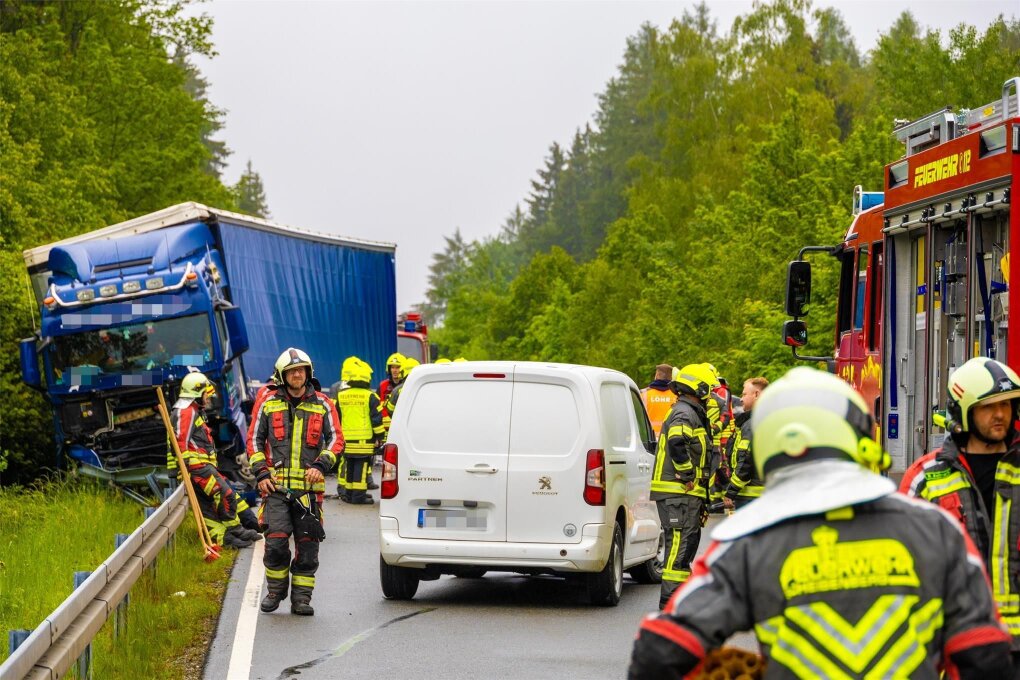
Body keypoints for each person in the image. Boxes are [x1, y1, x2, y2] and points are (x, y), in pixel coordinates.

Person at [629, 366, 1013, 679]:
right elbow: (985, 654)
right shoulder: (935, 531)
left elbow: (659, 651)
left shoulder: (750, 544)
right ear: (861, 437)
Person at [900, 356, 1020, 653]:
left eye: (1006, 405)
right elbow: (903, 563)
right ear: (963, 412)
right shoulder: (925, 478)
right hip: (959, 641)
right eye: (988, 406)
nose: (1000, 414)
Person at [247, 348, 343, 616]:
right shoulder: (268, 403)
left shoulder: (324, 403)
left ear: (308, 373)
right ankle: (276, 592)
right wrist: (262, 473)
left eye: (301, 370)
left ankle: (302, 599)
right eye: (292, 371)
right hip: (276, 489)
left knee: (308, 547)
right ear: (282, 376)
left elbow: (337, 439)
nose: (297, 375)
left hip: (309, 494)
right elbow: (253, 440)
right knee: (276, 544)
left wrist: (321, 464)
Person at [650, 363, 715, 609]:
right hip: (678, 494)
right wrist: (687, 473)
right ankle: (671, 603)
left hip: (683, 495)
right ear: (699, 386)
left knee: (683, 548)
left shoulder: (688, 410)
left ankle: (679, 599)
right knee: (678, 548)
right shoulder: (685, 413)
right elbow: (677, 440)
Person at [170, 372, 259, 548]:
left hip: (202, 467)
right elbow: (180, 442)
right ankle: (231, 534)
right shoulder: (185, 412)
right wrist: (187, 468)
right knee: (225, 494)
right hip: (197, 468)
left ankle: (231, 534)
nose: (208, 398)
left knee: (210, 507)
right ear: (196, 393)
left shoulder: (193, 411)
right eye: (206, 394)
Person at [336, 356, 385, 505]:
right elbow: (376, 419)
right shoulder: (370, 396)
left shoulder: (341, 396)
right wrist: (379, 437)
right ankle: (358, 497)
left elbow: (337, 417)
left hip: (346, 440)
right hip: (364, 441)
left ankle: (349, 495)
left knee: (349, 466)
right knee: (362, 469)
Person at [722, 376, 768, 510]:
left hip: (751, 496)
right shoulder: (768, 418)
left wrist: (731, 491)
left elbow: (746, 460)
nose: (741, 399)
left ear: (757, 394)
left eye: (744, 394)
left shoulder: (752, 424)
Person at [641, 364, 677, 437]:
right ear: (671, 377)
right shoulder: (677, 395)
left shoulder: (643, 394)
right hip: (670, 438)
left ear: (657, 375)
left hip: (649, 439)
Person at [378, 352, 405, 433]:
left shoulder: (406, 385)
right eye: (392, 367)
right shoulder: (383, 385)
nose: (395, 370)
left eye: (398, 367)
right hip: (384, 429)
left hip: (401, 427)